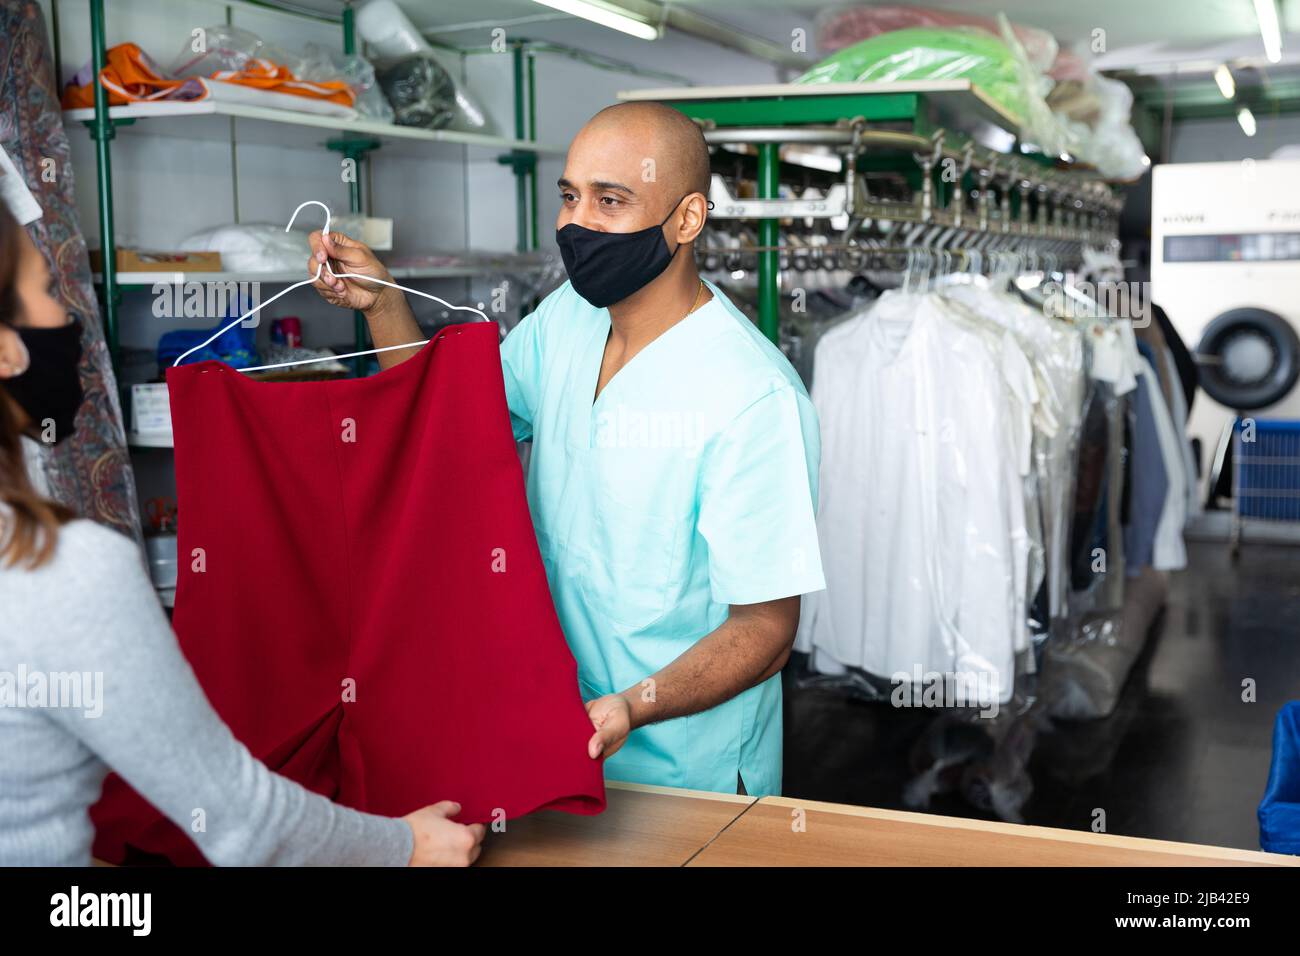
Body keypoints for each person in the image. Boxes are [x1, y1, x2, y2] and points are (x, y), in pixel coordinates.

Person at [308, 101, 825, 797]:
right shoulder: (566, 320)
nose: (579, 224)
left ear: (687, 219)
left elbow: (765, 630)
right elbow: (446, 429)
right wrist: (382, 304)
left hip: (681, 766)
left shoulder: (754, 398)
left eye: (611, 200)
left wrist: (634, 706)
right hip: (548, 732)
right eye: (570, 197)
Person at [0, 201, 485, 866]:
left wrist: (383, 309)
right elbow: (238, 814)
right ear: (5, 347)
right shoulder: (60, 571)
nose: (72, 316)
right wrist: (406, 846)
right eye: (50, 292)